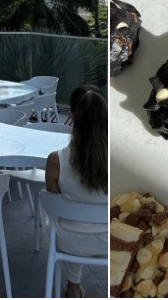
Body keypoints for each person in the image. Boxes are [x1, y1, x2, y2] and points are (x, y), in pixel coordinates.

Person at [44, 86, 109, 298]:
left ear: (73, 119)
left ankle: (73, 285)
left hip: (69, 242)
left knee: (58, 220)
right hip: (110, 240)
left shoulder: (56, 161)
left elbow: (55, 213)